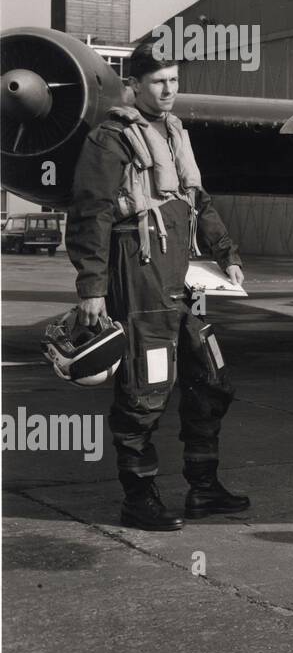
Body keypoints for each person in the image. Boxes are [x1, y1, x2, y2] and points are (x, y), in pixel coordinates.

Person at [66, 36, 250, 531]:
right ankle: (139, 498)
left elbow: (199, 202)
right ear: (134, 85)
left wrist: (227, 255)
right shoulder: (111, 139)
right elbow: (90, 215)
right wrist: (91, 288)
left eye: (173, 81)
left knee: (211, 382)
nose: (168, 91)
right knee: (144, 391)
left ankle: (203, 489)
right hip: (138, 274)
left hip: (182, 278)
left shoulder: (173, 134)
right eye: (158, 82)